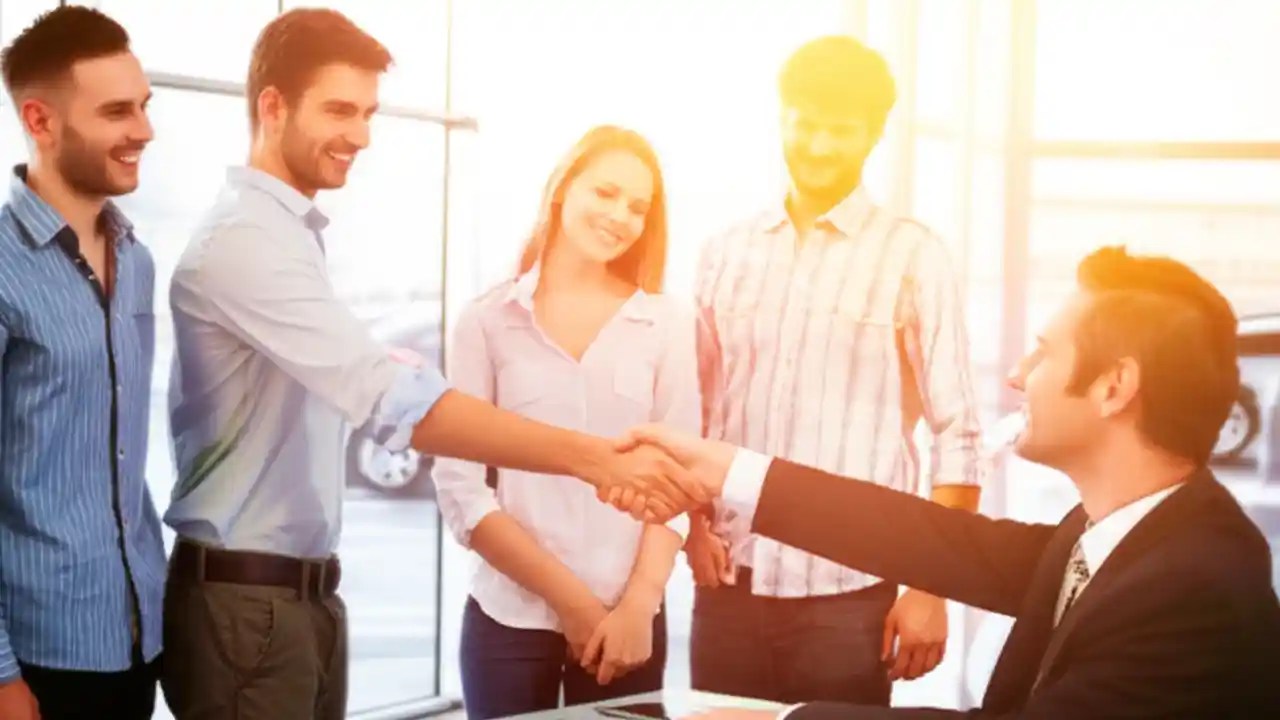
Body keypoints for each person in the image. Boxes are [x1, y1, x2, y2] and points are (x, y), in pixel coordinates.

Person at [159, 10, 697, 720]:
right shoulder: (248, 244)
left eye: (369, 113)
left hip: (299, 598)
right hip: (256, 603)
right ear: (272, 106)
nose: (361, 135)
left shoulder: (289, 238)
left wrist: (639, 597)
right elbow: (398, 405)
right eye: (340, 110)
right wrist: (592, 459)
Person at [618, 247, 1280, 718]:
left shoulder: (1193, 591)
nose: (1018, 374)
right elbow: (942, 542)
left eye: (1045, 352)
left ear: (1114, 387)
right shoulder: (1132, 533)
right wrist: (725, 469)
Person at [687, 34, 983, 705]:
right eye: (806, 124)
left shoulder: (913, 254)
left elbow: (958, 435)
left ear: (874, 134)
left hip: (851, 601)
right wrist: (694, 527)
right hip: (728, 588)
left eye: (841, 130)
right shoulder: (723, 252)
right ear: (783, 116)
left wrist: (930, 588)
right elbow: (698, 414)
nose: (819, 146)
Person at [434, 125, 698, 719]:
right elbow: (460, 488)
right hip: (508, 622)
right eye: (605, 192)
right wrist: (574, 606)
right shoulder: (487, 320)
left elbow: (680, 484)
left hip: (628, 624)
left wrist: (639, 606)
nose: (619, 215)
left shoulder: (666, 324)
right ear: (562, 189)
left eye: (638, 206)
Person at [0, 8, 166, 720]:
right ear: (40, 121)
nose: (144, 130)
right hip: (39, 656)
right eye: (117, 111)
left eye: (145, 105)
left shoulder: (137, 261)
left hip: (136, 639)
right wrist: (2, 675)